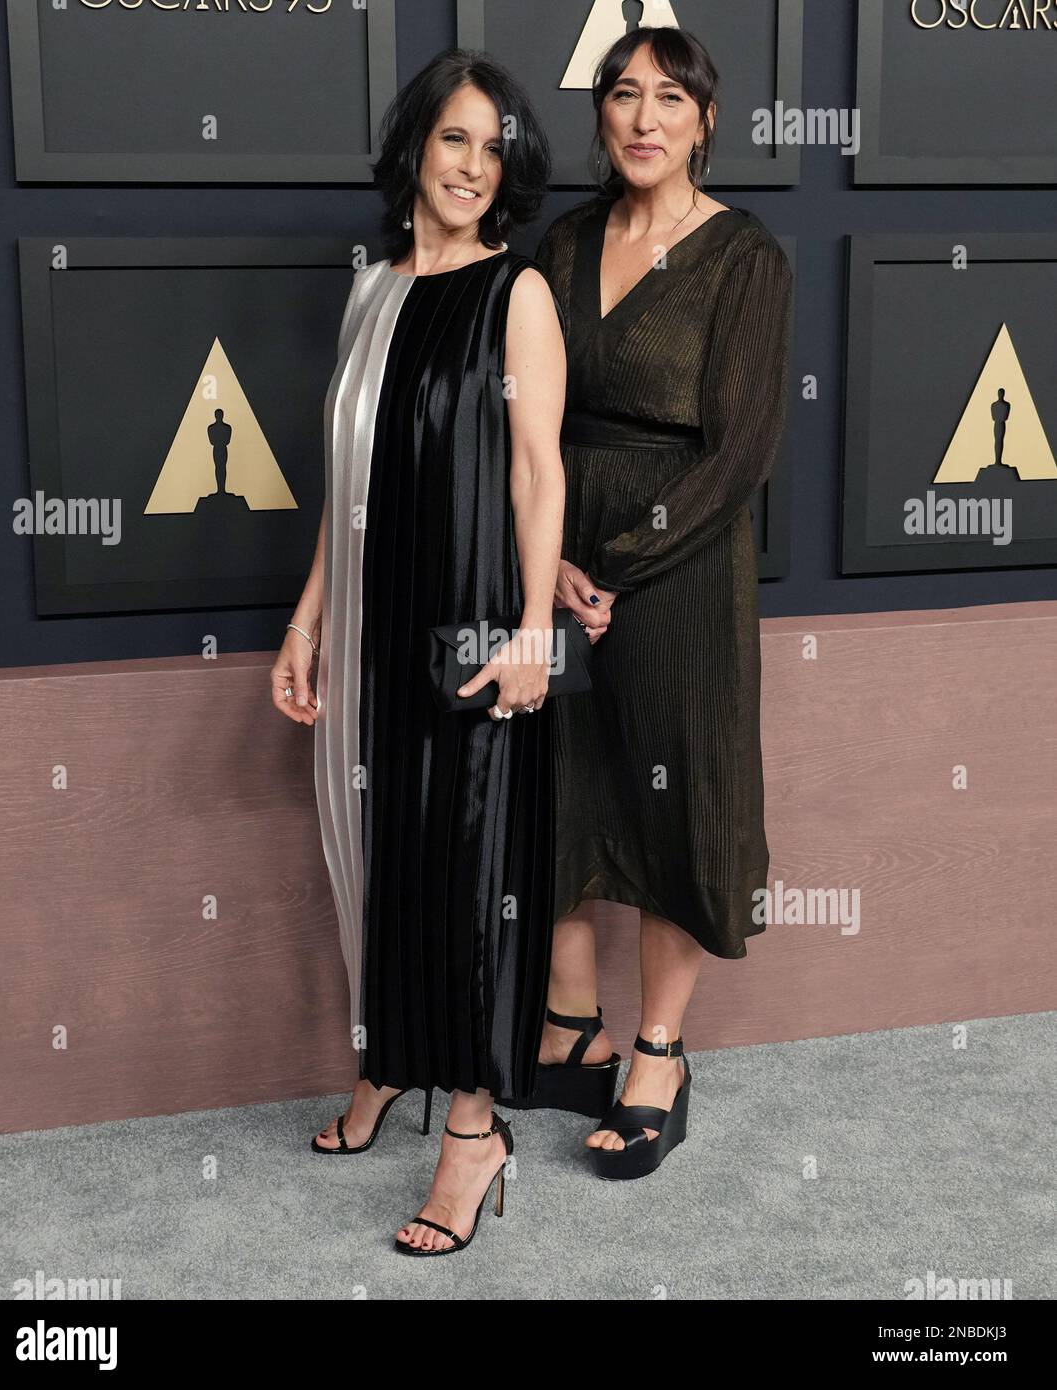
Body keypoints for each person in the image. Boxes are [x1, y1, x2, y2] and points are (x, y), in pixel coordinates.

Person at [272, 50, 566, 1252]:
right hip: (374, 624)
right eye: (455, 139)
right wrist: (307, 622)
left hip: (474, 618)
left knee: (470, 866)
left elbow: (542, 473)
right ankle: (387, 1062)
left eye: (494, 147)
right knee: (384, 851)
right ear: (414, 149)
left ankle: (475, 1134)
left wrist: (537, 629)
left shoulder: (518, 294)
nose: (472, 165)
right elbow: (347, 484)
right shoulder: (371, 290)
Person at [524, 26, 793, 1180]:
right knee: (562, 782)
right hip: (554, 553)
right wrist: (549, 567)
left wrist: (618, 563)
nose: (643, 118)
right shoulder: (564, 241)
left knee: (672, 793)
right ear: (599, 116)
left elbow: (739, 452)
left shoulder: (743, 257)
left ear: (703, 121)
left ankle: (657, 1054)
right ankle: (569, 1022)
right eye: (622, 96)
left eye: (667, 99)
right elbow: (521, 415)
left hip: (677, 566)